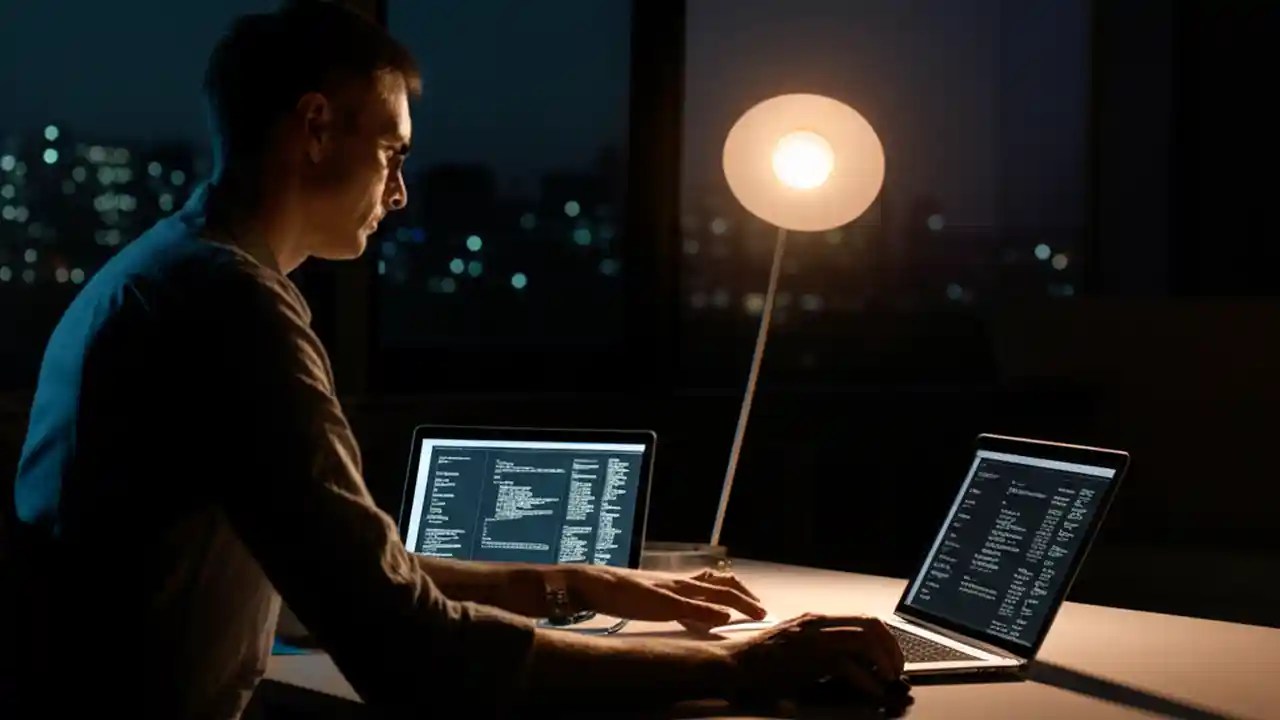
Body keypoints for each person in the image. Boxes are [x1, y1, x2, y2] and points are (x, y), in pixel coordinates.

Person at [2, 1, 905, 717]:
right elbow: (413, 652)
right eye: (390, 151)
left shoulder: (164, 271)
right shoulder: (230, 306)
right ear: (315, 126)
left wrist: (574, 583)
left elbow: (342, 572)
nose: (398, 192)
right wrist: (749, 662)